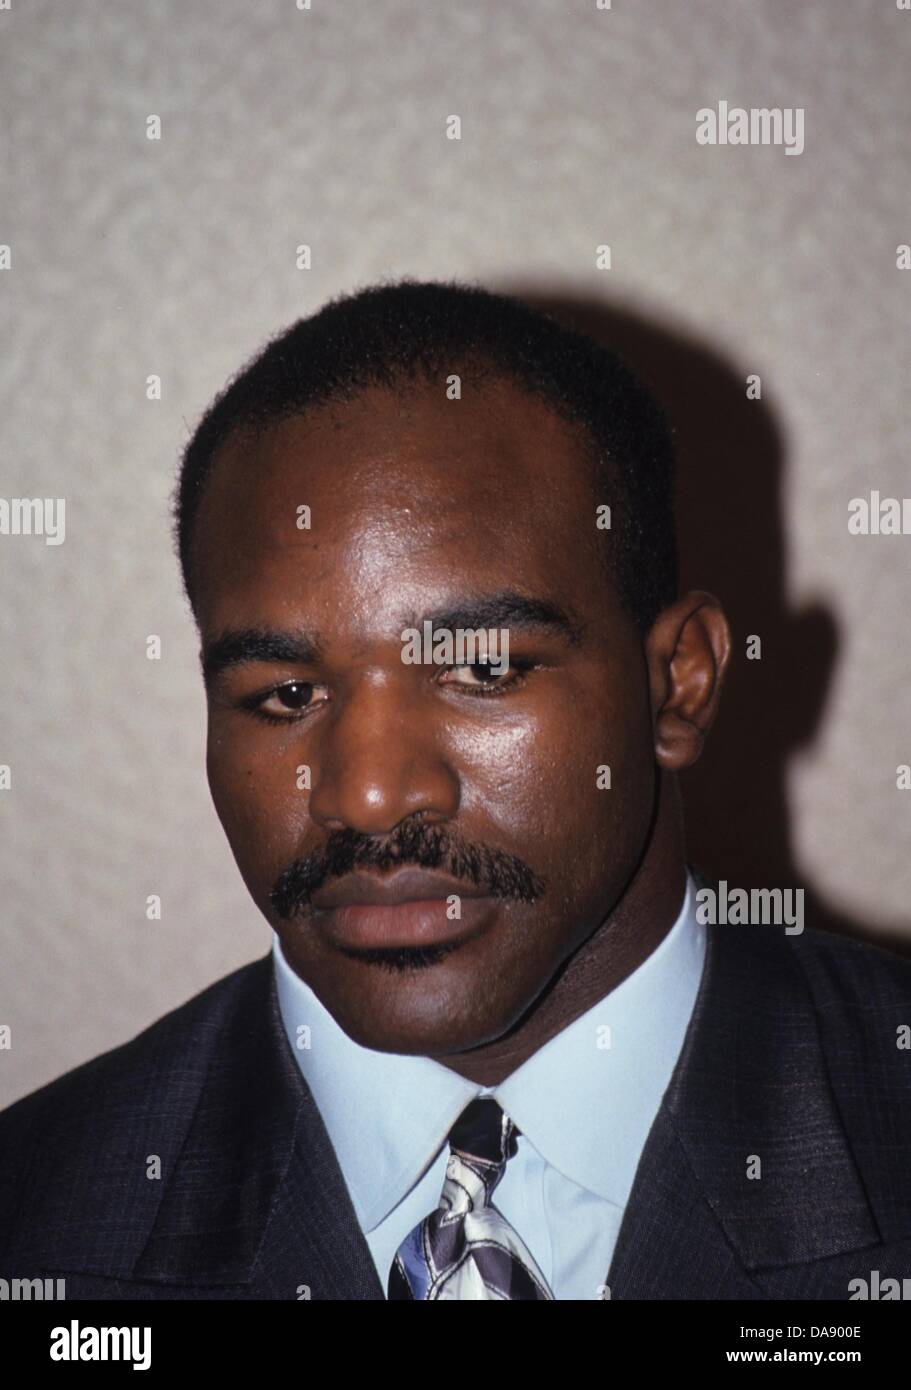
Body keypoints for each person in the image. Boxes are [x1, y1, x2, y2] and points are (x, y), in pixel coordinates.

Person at [1, 279, 909, 1300]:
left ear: (676, 684)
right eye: (285, 693)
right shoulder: (34, 1222)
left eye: (482, 669)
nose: (372, 794)